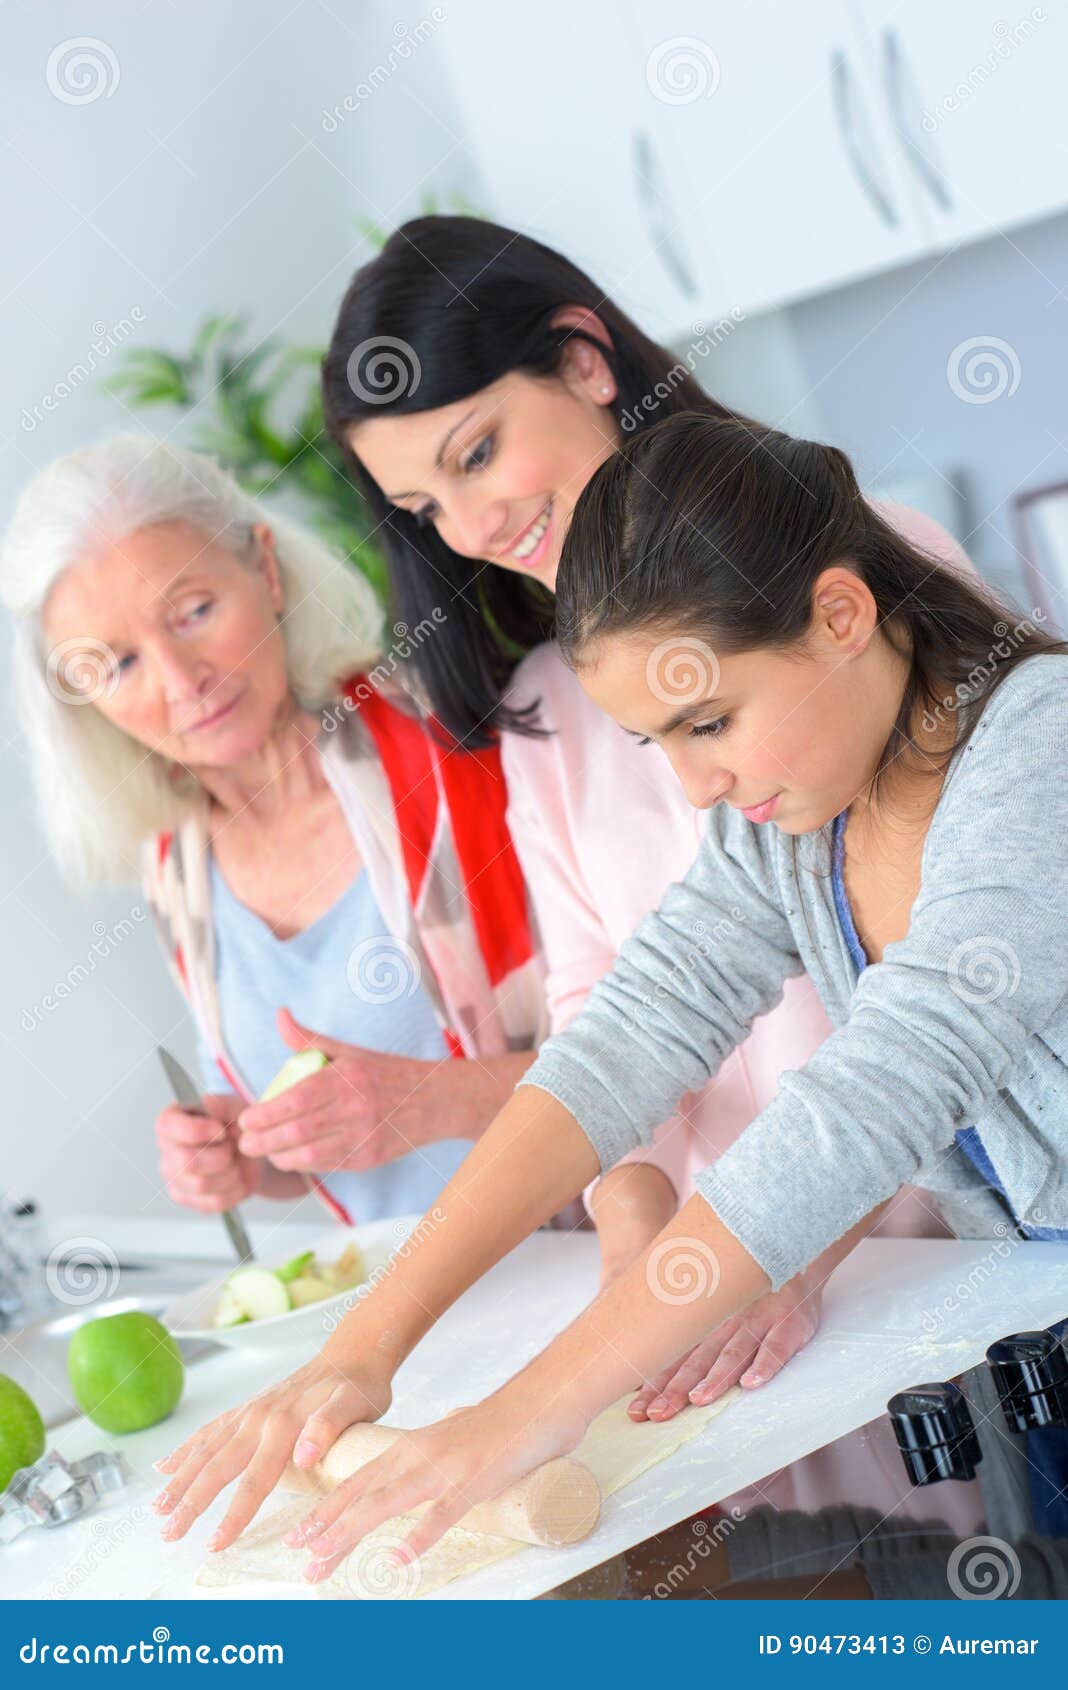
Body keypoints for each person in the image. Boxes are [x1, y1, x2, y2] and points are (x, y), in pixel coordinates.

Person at [151, 412, 1068, 1575]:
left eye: (709, 721)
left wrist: (529, 1410)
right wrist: (362, 1346)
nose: (698, 783)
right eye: (658, 744)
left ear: (842, 616)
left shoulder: (1040, 745)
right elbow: (627, 1036)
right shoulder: (804, 814)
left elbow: (885, 1086)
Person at [320, 213, 972, 1421]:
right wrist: (638, 1254)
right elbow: (610, 1016)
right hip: (731, 1295)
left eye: (475, 455)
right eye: (421, 506)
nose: (467, 532)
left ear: (584, 359)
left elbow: (942, 1008)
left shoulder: (864, 579)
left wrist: (793, 1252)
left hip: (926, 1253)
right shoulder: (541, 713)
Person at [0, 435, 545, 1227]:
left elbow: (660, 1042)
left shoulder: (455, 738)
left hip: (588, 1267)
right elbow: (341, 1151)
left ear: (264, 568)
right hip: (417, 1325)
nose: (184, 683)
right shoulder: (177, 869)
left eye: (193, 612)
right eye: (117, 665)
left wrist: (432, 1102)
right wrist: (250, 1159)